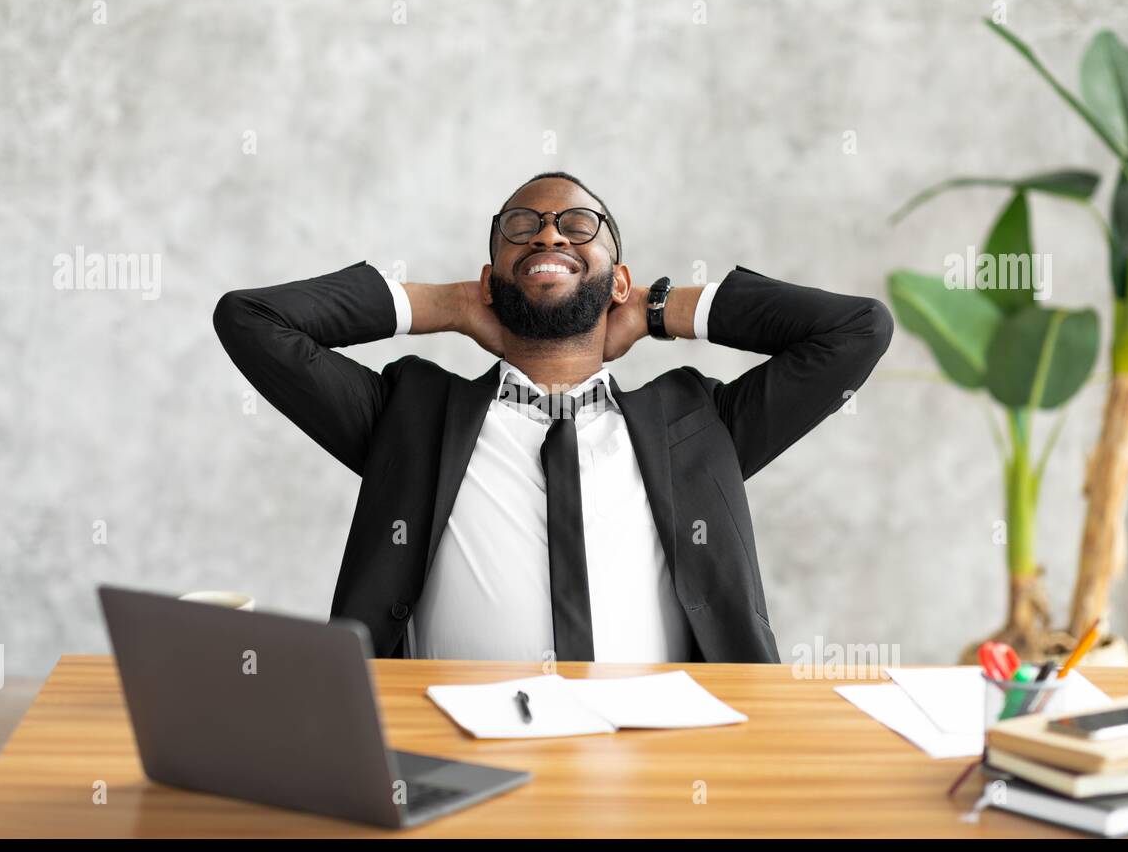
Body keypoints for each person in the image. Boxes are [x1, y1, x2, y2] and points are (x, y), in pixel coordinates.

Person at [213, 171, 893, 664]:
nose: (547, 231)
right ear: (490, 280)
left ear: (617, 280)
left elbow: (857, 330)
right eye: (523, 226)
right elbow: (252, 320)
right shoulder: (410, 416)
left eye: (577, 226)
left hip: (664, 761)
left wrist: (662, 309)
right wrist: (442, 304)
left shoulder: (695, 422)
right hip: (444, 752)